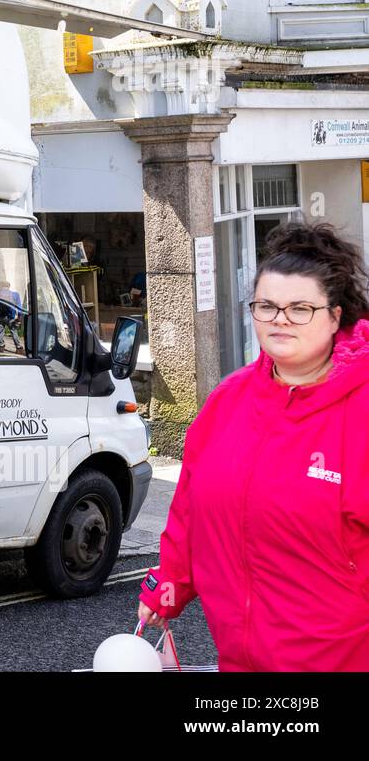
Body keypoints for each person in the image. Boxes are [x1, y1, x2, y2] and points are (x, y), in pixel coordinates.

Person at [136, 222, 369, 671]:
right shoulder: (228, 400)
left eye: (300, 308)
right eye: (266, 306)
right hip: (238, 655)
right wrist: (167, 585)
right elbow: (189, 510)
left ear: (336, 315)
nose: (280, 319)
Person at [0, 280, 23, 352]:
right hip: (10, 317)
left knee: (0, 331)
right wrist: (19, 316)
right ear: (8, 286)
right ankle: (19, 348)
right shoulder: (15, 294)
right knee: (13, 331)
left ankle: (1, 346)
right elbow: (19, 306)